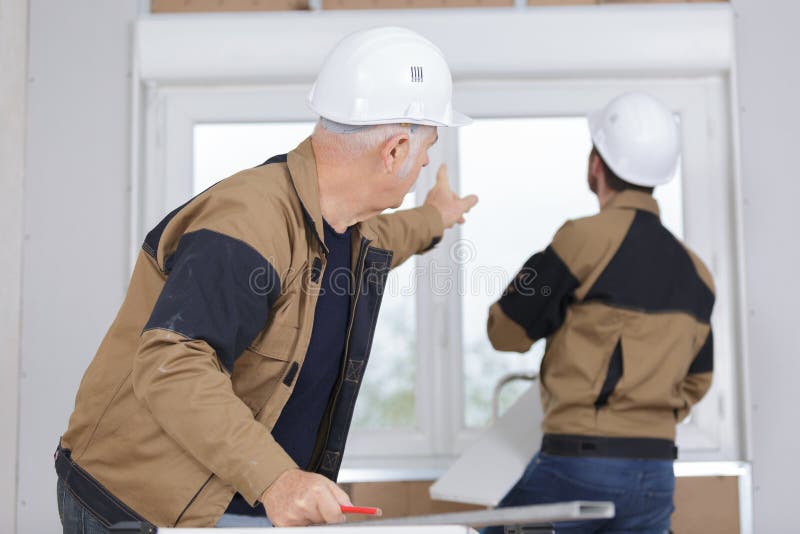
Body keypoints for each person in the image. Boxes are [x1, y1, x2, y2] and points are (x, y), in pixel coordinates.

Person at [56, 27, 477, 532]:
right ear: (394, 150)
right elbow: (171, 363)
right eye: (427, 147)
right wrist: (278, 478)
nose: (427, 161)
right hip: (131, 507)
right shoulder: (249, 221)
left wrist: (437, 216)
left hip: (231, 506)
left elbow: (392, 234)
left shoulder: (345, 228)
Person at [484, 92, 715, 534]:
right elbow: (697, 380)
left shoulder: (581, 240)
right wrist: (644, 413)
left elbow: (506, 331)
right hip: (655, 473)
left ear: (596, 165)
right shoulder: (697, 273)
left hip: (578, 464)